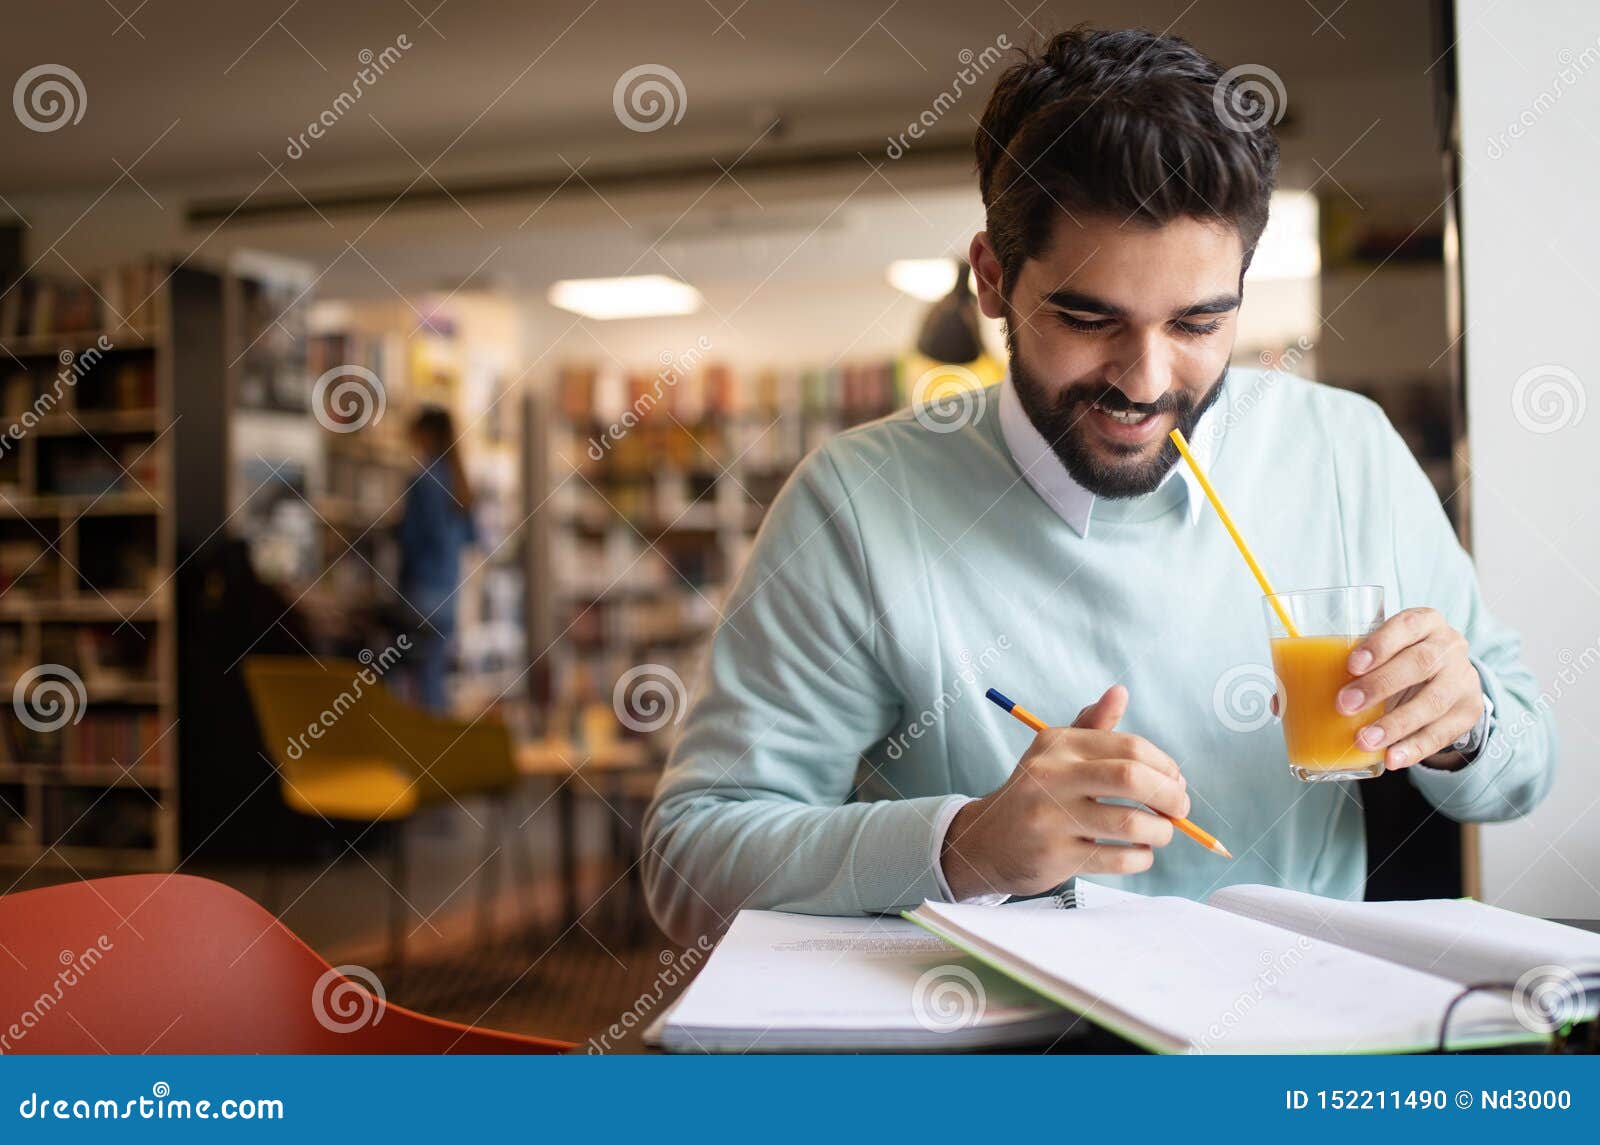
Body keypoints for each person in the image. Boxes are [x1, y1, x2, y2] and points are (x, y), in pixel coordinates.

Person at [641, 28, 1556, 945]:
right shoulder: (857, 502)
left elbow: (1524, 769)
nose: (1146, 381)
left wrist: (1465, 724)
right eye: (1089, 318)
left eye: (1199, 322)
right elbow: (688, 865)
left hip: (1286, 1049)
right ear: (994, 281)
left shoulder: (1344, 449)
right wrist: (962, 846)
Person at [397, 406, 476, 714]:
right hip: (449, 596)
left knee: (407, 682)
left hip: (419, 593)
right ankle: (436, 753)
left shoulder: (422, 480)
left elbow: (411, 539)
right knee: (435, 683)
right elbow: (469, 539)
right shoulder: (460, 482)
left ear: (427, 434)